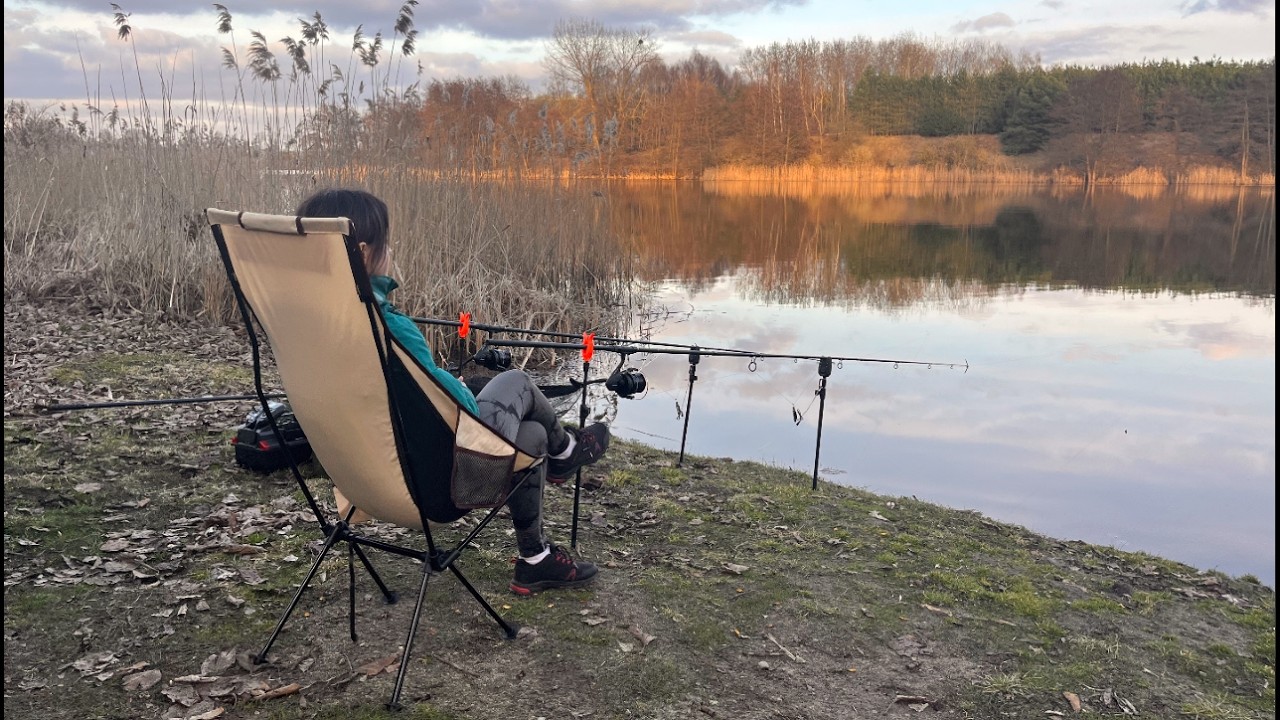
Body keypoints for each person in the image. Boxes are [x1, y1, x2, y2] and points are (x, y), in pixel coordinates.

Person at [295, 188, 610, 596]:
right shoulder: (387, 328)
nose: (391, 251)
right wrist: (457, 386)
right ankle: (567, 452)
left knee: (531, 438)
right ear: (363, 251)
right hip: (443, 489)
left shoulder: (306, 328)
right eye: (387, 242)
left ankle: (535, 559)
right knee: (515, 382)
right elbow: (457, 408)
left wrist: (438, 380)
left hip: (364, 482)